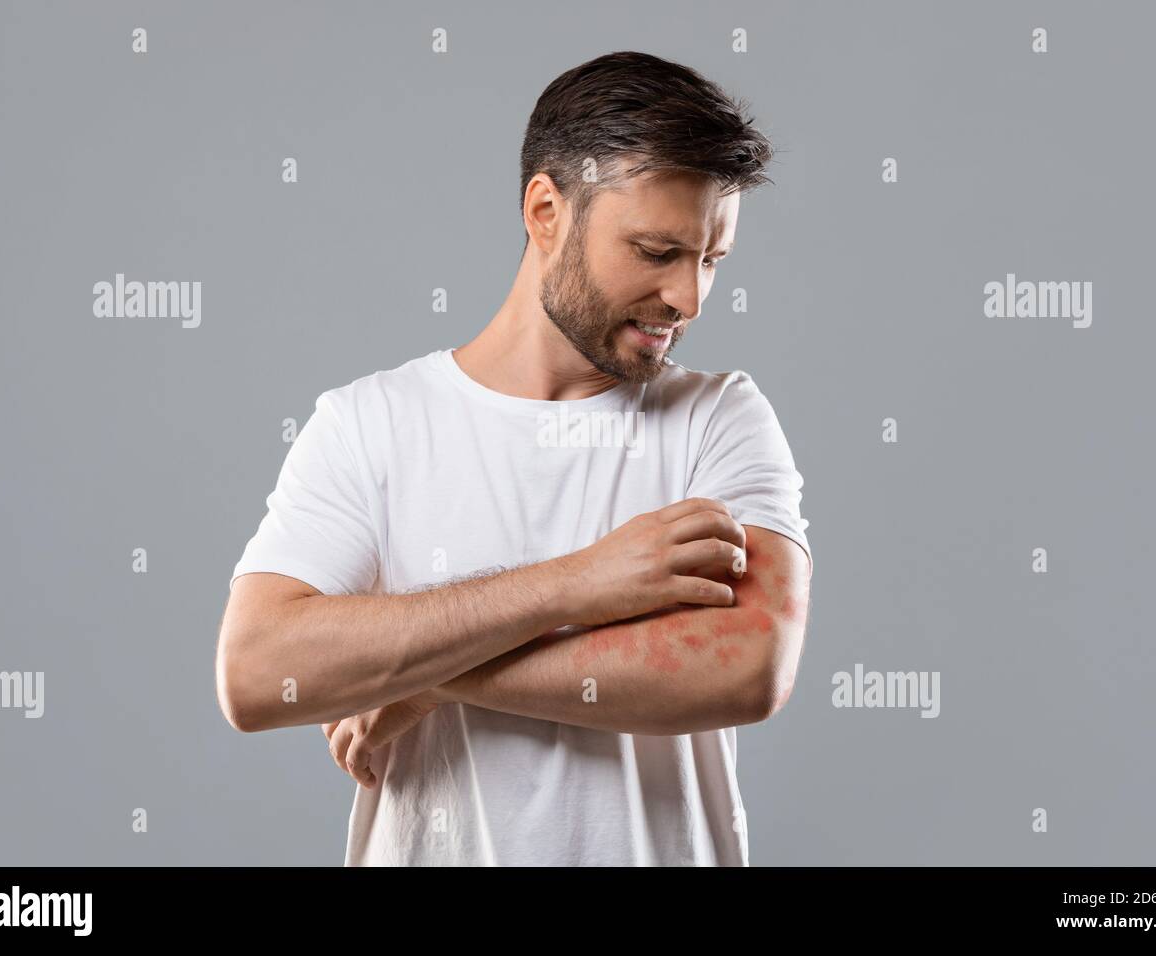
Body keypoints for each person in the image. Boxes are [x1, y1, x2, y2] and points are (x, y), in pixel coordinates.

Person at [216, 50, 813, 866]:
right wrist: (579, 583)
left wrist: (421, 677)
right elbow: (257, 672)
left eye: (710, 260)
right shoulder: (371, 424)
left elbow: (746, 668)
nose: (690, 299)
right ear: (545, 211)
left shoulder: (718, 418)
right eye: (656, 251)